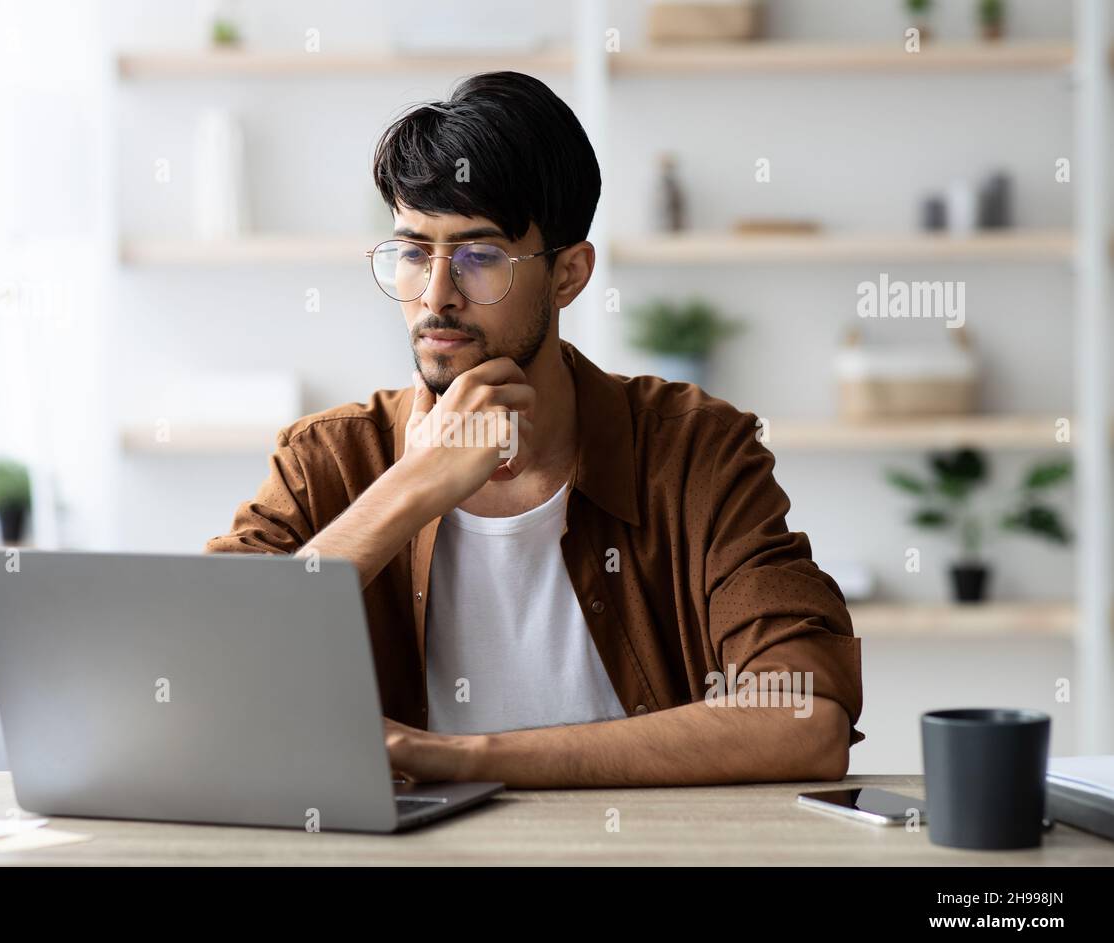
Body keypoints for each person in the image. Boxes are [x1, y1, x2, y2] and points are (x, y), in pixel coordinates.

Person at [206, 71, 863, 787]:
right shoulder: (328, 456)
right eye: (413, 253)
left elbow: (807, 720)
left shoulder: (695, 451)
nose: (436, 296)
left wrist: (461, 758)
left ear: (569, 275)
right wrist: (412, 487)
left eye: (480, 257)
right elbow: (194, 674)